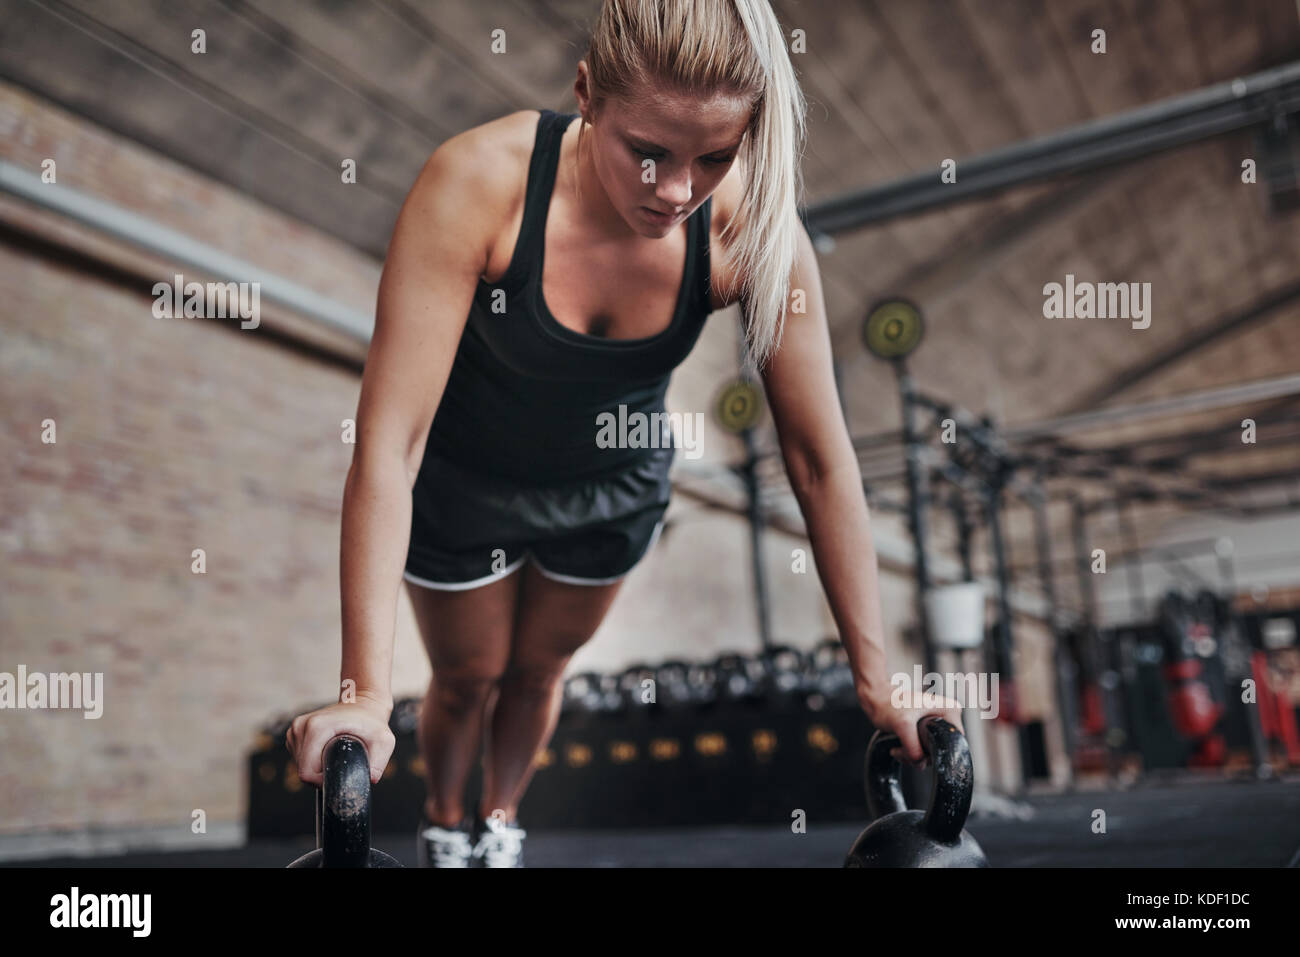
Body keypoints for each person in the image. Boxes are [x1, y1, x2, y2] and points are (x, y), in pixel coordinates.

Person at [287, 0, 963, 868]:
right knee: (467, 675)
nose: (678, 189)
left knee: (537, 672)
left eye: (715, 157)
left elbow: (818, 458)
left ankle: (497, 823)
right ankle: (446, 822)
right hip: (465, 479)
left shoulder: (753, 234)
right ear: (586, 96)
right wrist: (365, 694)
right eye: (648, 152)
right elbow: (390, 438)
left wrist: (878, 680)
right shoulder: (478, 184)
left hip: (611, 486)